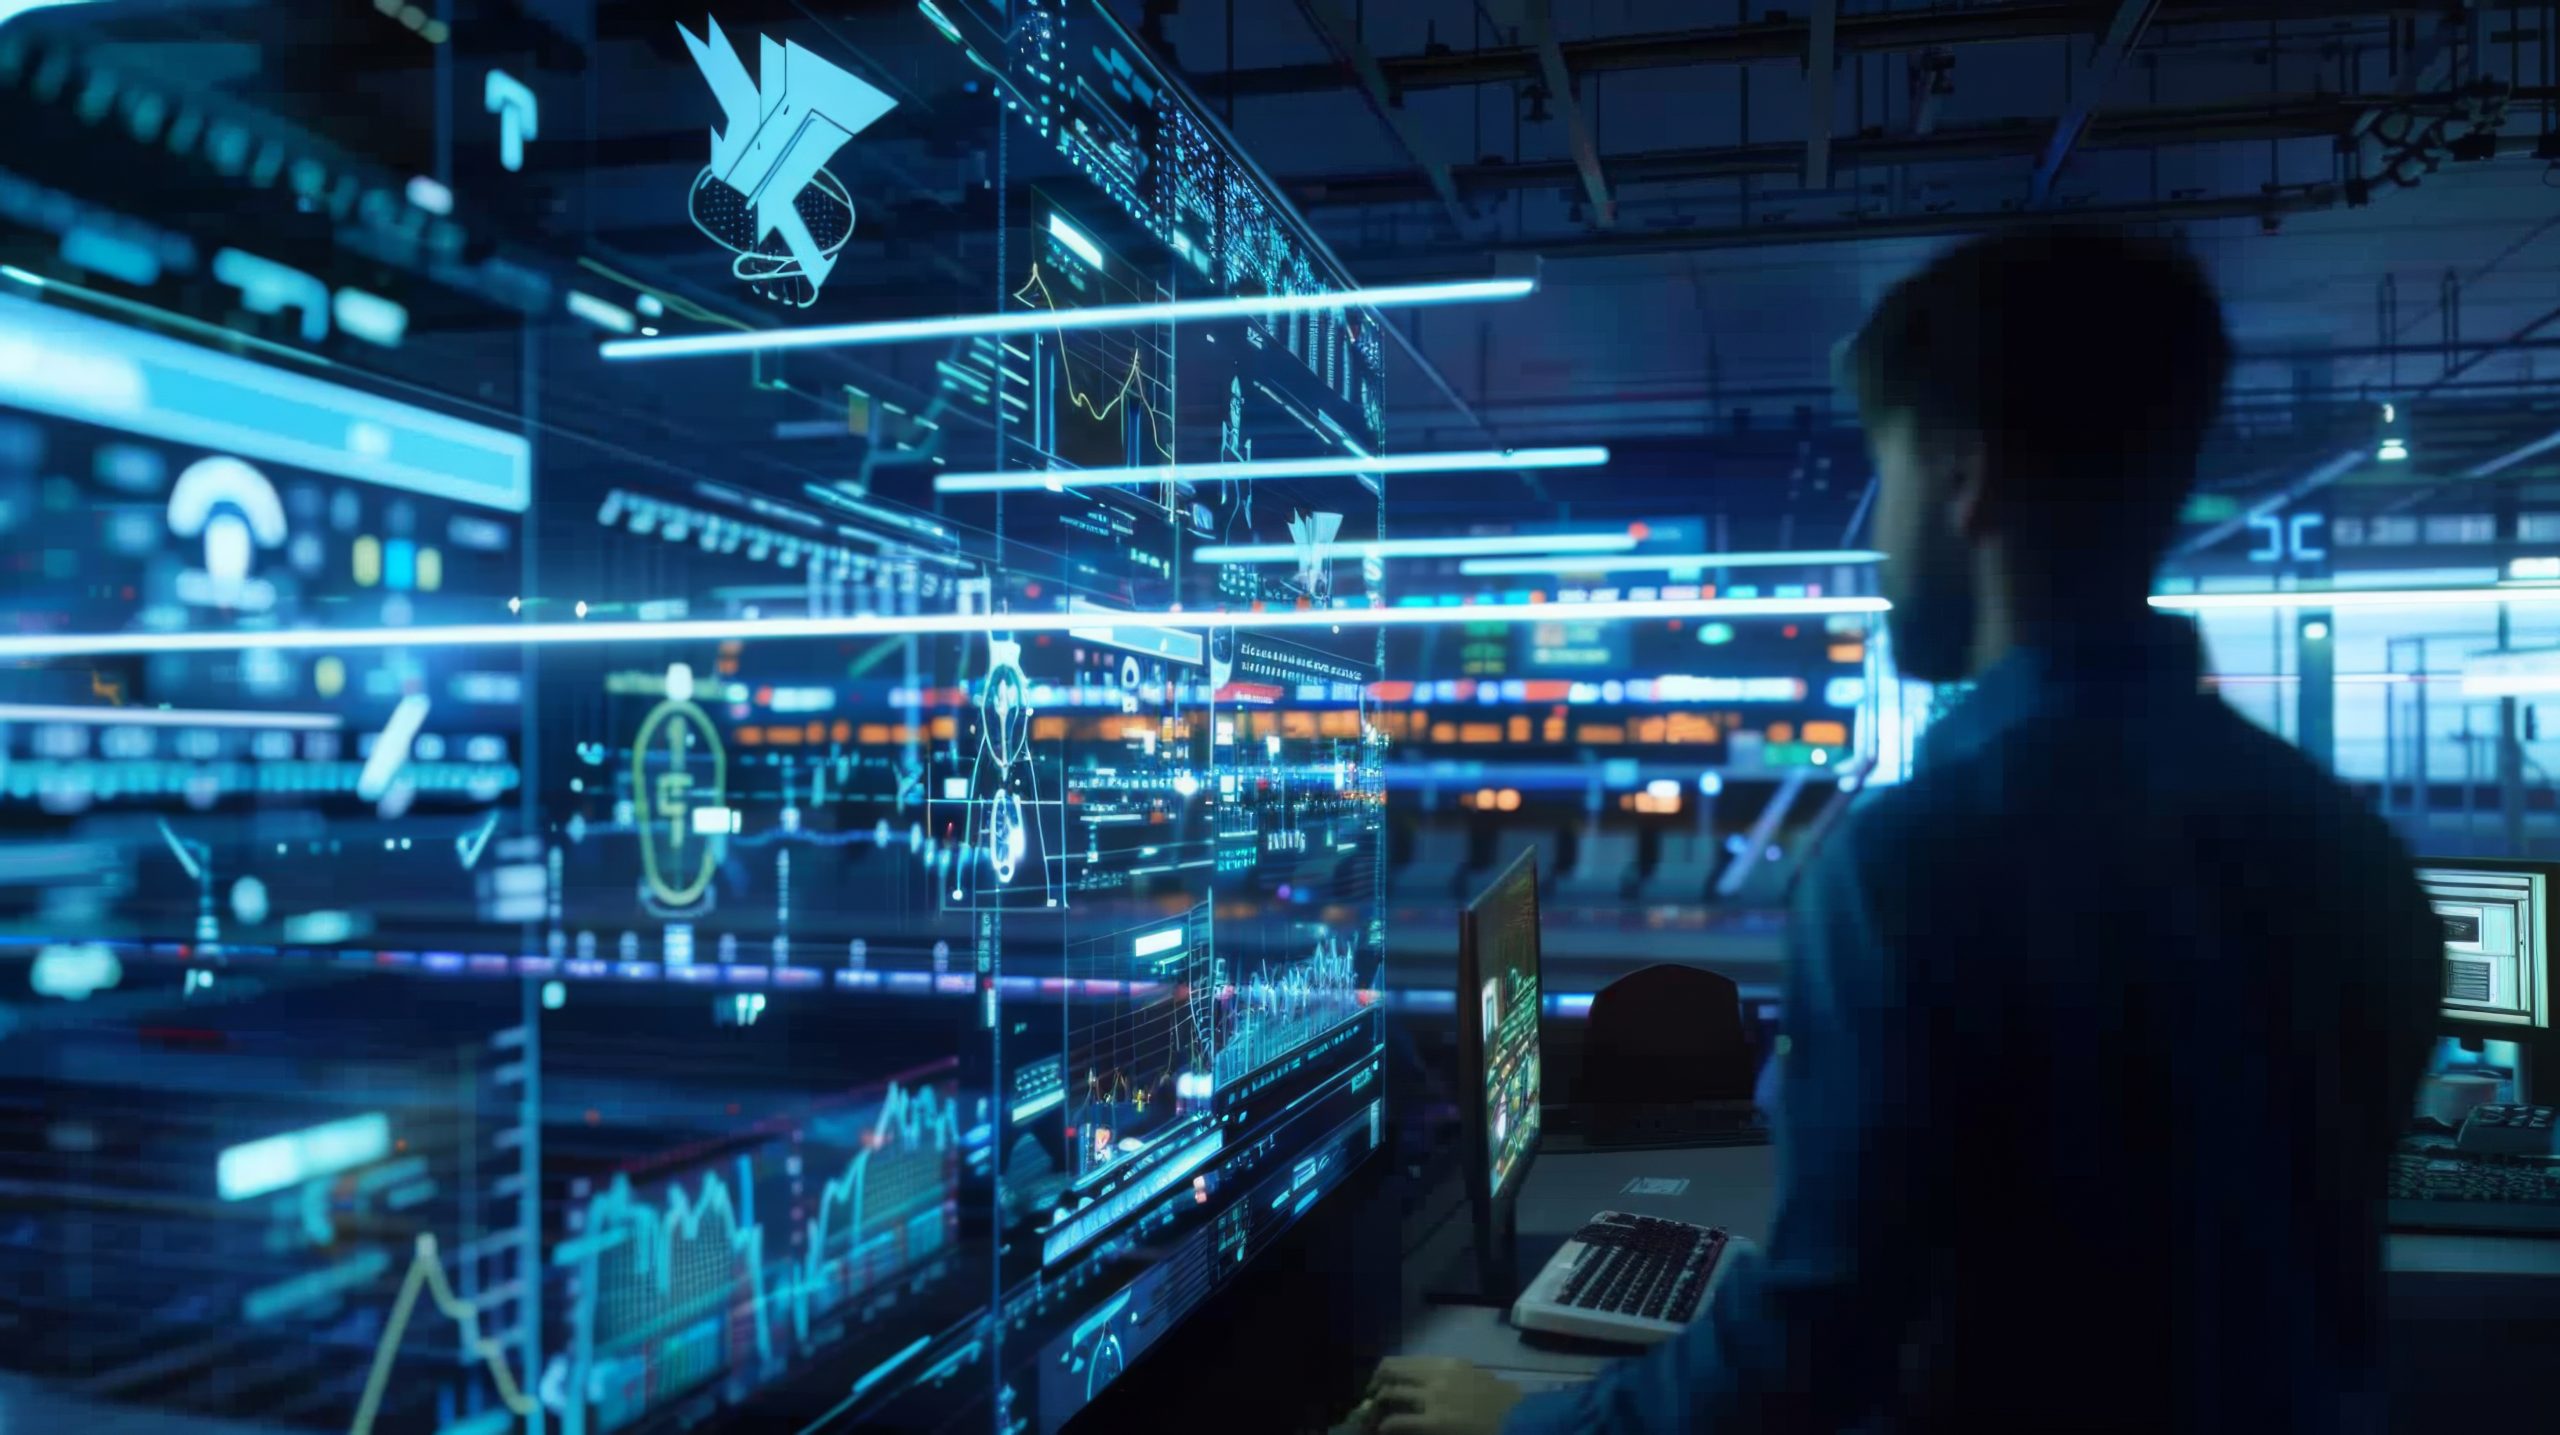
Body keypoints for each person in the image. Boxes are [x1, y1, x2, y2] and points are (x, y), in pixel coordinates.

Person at [1359, 225, 2443, 1434]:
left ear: (1963, 479)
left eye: (1893, 477)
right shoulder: (2355, 858)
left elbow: (1815, 1357)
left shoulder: (1912, 868)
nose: (1880, 551)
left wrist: (1510, 1424)